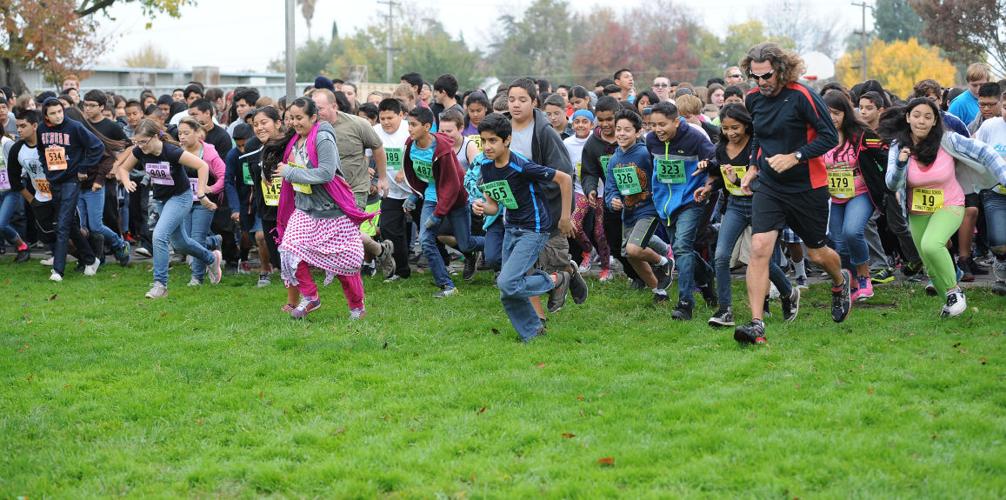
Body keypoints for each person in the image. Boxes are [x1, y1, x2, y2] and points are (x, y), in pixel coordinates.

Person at [735, 43, 848, 345]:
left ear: (781, 70)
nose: (761, 82)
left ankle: (840, 281)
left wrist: (795, 156)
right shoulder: (753, 99)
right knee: (759, 247)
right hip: (770, 186)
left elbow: (829, 137)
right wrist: (752, 167)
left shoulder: (803, 95)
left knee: (816, 253)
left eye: (767, 75)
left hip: (807, 186)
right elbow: (758, 134)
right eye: (755, 76)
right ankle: (757, 323)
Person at [881, 98, 1006, 316]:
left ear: (935, 121)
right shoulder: (899, 146)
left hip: (950, 204)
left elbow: (985, 152)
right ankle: (951, 304)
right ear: (908, 117)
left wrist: (1004, 177)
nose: (922, 121)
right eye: (917, 115)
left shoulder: (948, 141)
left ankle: (954, 291)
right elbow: (891, 183)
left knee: (932, 245)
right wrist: (901, 164)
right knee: (930, 265)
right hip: (917, 210)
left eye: (928, 117)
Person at [472, 113, 574, 342]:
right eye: (483, 141)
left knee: (507, 283)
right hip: (511, 227)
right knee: (507, 290)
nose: (487, 146)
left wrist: (565, 217)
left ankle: (557, 280)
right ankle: (533, 333)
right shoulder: (486, 168)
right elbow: (493, 206)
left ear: (507, 140)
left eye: (493, 141)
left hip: (534, 229)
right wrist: (480, 207)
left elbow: (565, 179)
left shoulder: (522, 166)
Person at [273, 97, 376, 320]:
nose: (295, 122)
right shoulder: (295, 139)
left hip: (332, 211)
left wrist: (289, 173)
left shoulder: (323, 136)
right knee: (289, 249)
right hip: (304, 210)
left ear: (313, 117)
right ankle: (310, 297)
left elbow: (326, 173)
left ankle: (357, 308)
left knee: (345, 265)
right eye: (292, 118)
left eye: (299, 118)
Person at [694, 104, 796, 327]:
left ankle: (789, 293)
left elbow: (764, 179)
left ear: (747, 126)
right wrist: (709, 188)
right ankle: (725, 310)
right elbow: (723, 177)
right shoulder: (721, 149)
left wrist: (738, 180)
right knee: (721, 256)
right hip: (735, 206)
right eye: (726, 128)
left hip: (762, 205)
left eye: (736, 127)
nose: (731, 133)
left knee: (760, 260)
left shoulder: (757, 147)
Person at [114, 119, 222, 298]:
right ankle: (211, 258)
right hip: (161, 200)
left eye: (143, 142)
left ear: (155, 136)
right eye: (137, 142)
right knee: (180, 243)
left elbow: (202, 165)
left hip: (180, 197)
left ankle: (160, 285)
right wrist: (126, 182)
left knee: (159, 236)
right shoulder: (139, 151)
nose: (140, 146)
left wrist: (201, 193)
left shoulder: (171, 151)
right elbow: (123, 168)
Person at [506, 78, 586, 313]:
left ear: (534, 102)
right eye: (511, 100)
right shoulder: (504, 129)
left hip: (547, 207)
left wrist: (565, 215)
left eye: (522, 100)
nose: (516, 105)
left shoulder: (544, 133)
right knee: (524, 264)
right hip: (517, 209)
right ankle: (538, 317)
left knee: (554, 258)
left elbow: (564, 175)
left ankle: (566, 274)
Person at [310, 89, 395, 279]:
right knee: (330, 231)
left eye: (320, 108)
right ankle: (381, 250)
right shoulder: (311, 127)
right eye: (313, 108)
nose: (316, 112)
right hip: (324, 190)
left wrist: (382, 178)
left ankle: (349, 272)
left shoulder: (357, 124)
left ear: (334, 106)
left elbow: (377, 147)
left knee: (347, 229)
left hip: (354, 188)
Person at [642, 103, 717, 319]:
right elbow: (653, 166)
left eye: (662, 124)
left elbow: (715, 158)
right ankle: (706, 276)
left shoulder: (694, 137)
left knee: (682, 247)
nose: (658, 129)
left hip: (691, 199)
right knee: (681, 248)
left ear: (676, 121)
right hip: (665, 203)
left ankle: (685, 303)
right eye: (653, 125)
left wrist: (707, 164)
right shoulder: (651, 140)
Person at [402, 106, 484, 297]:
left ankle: (501, 244)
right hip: (431, 197)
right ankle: (447, 285)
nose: (409, 129)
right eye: (409, 124)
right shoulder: (410, 144)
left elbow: (452, 185)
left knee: (466, 245)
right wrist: (415, 194)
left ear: (426, 126)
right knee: (425, 239)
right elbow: (416, 174)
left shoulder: (442, 149)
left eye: (413, 125)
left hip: (455, 199)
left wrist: (438, 214)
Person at [821, 90, 890, 301]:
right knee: (837, 240)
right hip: (836, 195)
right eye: (827, 112)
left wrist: (888, 184)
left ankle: (864, 277)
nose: (832, 117)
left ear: (846, 113)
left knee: (852, 232)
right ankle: (850, 280)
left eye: (836, 112)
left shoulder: (861, 134)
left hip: (861, 192)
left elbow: (886, 154)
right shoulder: (820, 136)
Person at [604, 109, 674, 305]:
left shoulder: (645, 154)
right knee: (630, 255)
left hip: (648, 210)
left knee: (634, 249)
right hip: (629, 213)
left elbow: (660, 177)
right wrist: (613, 201)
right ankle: (659, 291)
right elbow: (611, 189)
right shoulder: (614, 160)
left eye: (627, 130)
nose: (621, 134)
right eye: (618, 129)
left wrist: (657, 195)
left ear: (638, 132)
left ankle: (663, 261)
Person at [36, 97, 103, 282]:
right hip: (54, 180)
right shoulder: (41, 129)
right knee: (70, 224)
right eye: (53, 113)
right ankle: (91, 259)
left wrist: (83, 168)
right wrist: (46, 169)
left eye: (60, 111)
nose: (58, 116)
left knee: (62, 223)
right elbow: (41, 151)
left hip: (72, 180)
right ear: (46, 115)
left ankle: (58, 270)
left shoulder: (75, 127)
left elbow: (97, 146)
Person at [175, 116, 226, 285]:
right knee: (185, 241)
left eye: (186, 133)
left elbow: (223, 176)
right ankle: (214, 241)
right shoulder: (177, 151)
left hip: (204, 202)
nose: (182, 137)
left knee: (196, 240)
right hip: (184, 201)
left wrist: (210, 189)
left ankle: (197, 277)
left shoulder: (209, 153)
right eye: (180, 133)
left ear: (198, 133)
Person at [563, 109, 611, 280]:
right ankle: (588, 251)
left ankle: (606, 268)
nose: (581, 125)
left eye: (585, 121)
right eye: (577, 121)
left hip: (602, 192)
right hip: (580, 189)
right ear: (572, 124)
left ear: (592, 124)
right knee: (573, 224)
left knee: (600, 232)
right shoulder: (567, 143)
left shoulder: (598, 141)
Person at [438, 108, 483, 281]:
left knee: (467, 239)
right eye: (442, 131)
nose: (445, 134)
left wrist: (473, 200)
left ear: (461, 128)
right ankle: (471, 255)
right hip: (448, 200)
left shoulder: (469, 146)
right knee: (442, 235)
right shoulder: (439, 144)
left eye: (449, 131)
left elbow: (478, 175)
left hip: (468, 200)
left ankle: (490, 250)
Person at [374, 98, 413, 281]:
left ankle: (444, 263)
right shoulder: (375, 132)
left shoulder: (410, 129)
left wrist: (405, 170)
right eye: (383, 119)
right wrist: (367, 167)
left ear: (401, 115)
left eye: (390, 118)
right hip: (390, 191)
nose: (386, 122)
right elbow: (367, 155)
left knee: (431, 231)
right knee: (389, 228)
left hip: (415, 190)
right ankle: (401, 271)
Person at [974, 92, 1006, 295]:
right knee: (997, 237)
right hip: (995, 193)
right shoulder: (990, 126)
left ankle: (1003, 280)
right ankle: (1001, 264)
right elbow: (975, 149)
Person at [0, 125, 30, 262]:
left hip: (11, 189)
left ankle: (22, 246)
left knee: (2, 223)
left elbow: (22, 165)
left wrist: (17, 181)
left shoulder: (7, 144)